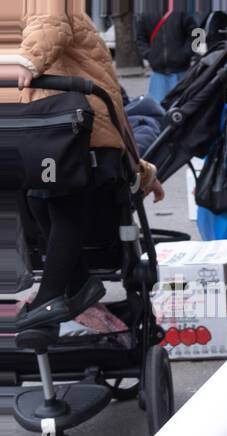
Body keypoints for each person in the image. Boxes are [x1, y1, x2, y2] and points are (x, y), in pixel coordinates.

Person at [0, 0, 165, 327]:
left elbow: (48, 28)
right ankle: (77, 285)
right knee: (37, 200)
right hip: (56, 130)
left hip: (76, 134)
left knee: (62, 206)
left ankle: (53, 295)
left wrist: (27, 63)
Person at [134, 0, 197, 104]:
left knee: (182, 108)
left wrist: (187, 54)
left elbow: (198, 34)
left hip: (181, 72)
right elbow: (140, 38)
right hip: (158, 74)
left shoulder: (182, 10)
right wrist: (149, 55)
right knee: (158, 111)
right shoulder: (145, 13)